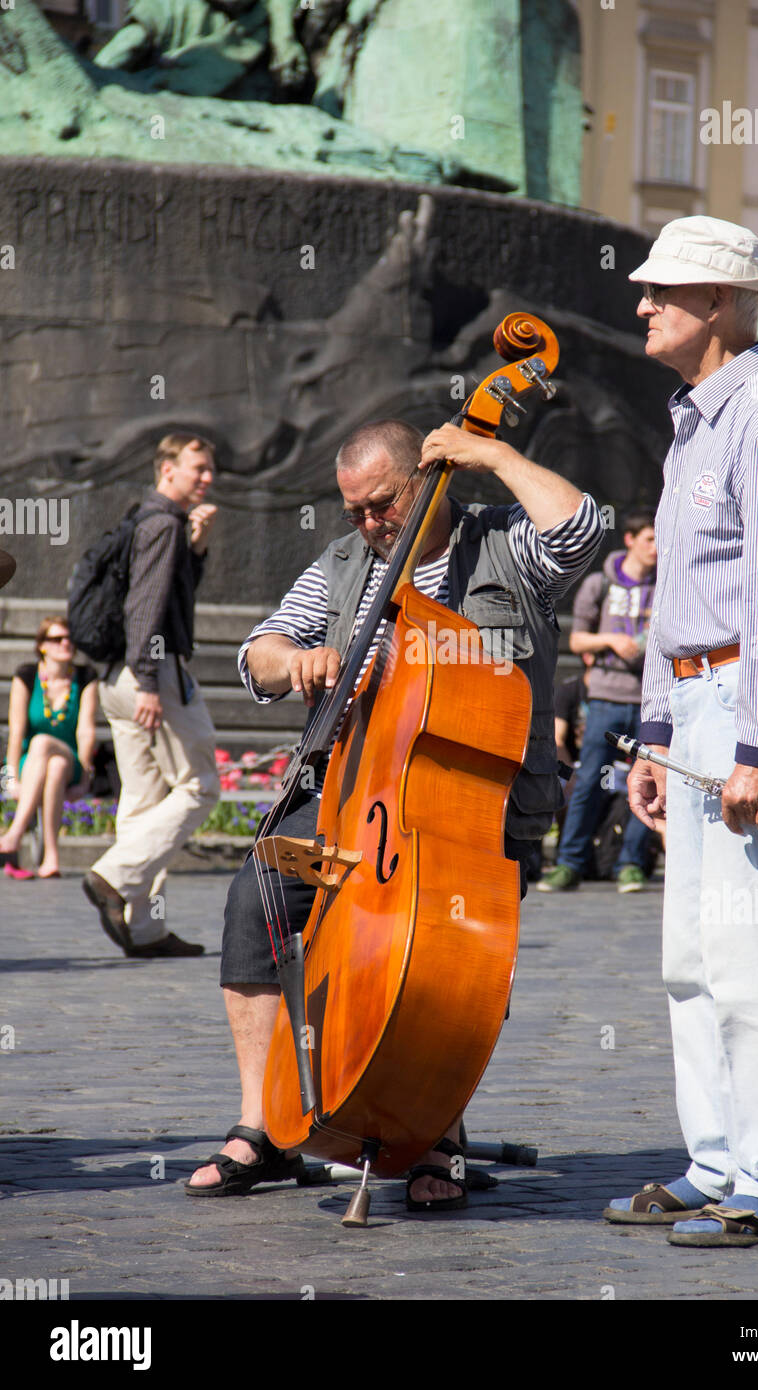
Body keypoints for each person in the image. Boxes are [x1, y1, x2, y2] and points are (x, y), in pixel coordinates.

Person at [185, 416, 602, 1204]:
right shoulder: (345, 564)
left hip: (476, 809)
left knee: (451, 960)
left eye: (382, 503)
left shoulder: (506, 546)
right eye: (354, 511)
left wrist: (495, 453)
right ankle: (264, 1127)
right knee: (259, 893)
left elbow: (580, 532)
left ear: (427, 477)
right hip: (355, 805)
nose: (370, 524)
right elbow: (256, 654)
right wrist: (296, 660)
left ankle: (434, 1132)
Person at [603, 216, 758, 1246]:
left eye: (662, 290)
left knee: (752, 953)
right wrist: (655, 732)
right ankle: (715, 1163)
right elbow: (674, 598)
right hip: (696, 698)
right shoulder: (695, 421)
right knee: (691, 956)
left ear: (716, 304)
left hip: (753, 697)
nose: (642, 303)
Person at [82, 433, 220, 958]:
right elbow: (146, 605)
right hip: (151, 673)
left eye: (211, 469)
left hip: (116, 677)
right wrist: (147, 680)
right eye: (198, 468)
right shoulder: (164, 523)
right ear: (167, 469)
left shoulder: (146, 518)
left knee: (142, 804)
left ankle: (143, 930)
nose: (208, 477)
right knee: (201, 786)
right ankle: (112, 878)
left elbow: (169, 595)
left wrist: (197, 549)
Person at [539, 511, 657, 894]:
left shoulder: (670, 585)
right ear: (629, 539)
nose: (655, 549)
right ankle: (569, 863)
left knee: (652, 782)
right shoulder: (599, 583)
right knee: (590, 779)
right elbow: (576, 641)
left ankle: (631, 864)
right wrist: (609, 641)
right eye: (648, 540)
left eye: (659, 541)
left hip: (651, 700)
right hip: (605, 697)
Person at [1, 617, 98, 880]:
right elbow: (16, 729)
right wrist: (9, 779)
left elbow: (86, 730)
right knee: (52, 764)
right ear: (42, 645)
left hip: (73, 760)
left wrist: (86, 779)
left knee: (43, 743)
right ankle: (51, 857)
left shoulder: (86, 678)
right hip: (31, 763)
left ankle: (14, 833)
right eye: (57, 639)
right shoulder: (26, 676)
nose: (65, 643)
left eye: (69, 638)